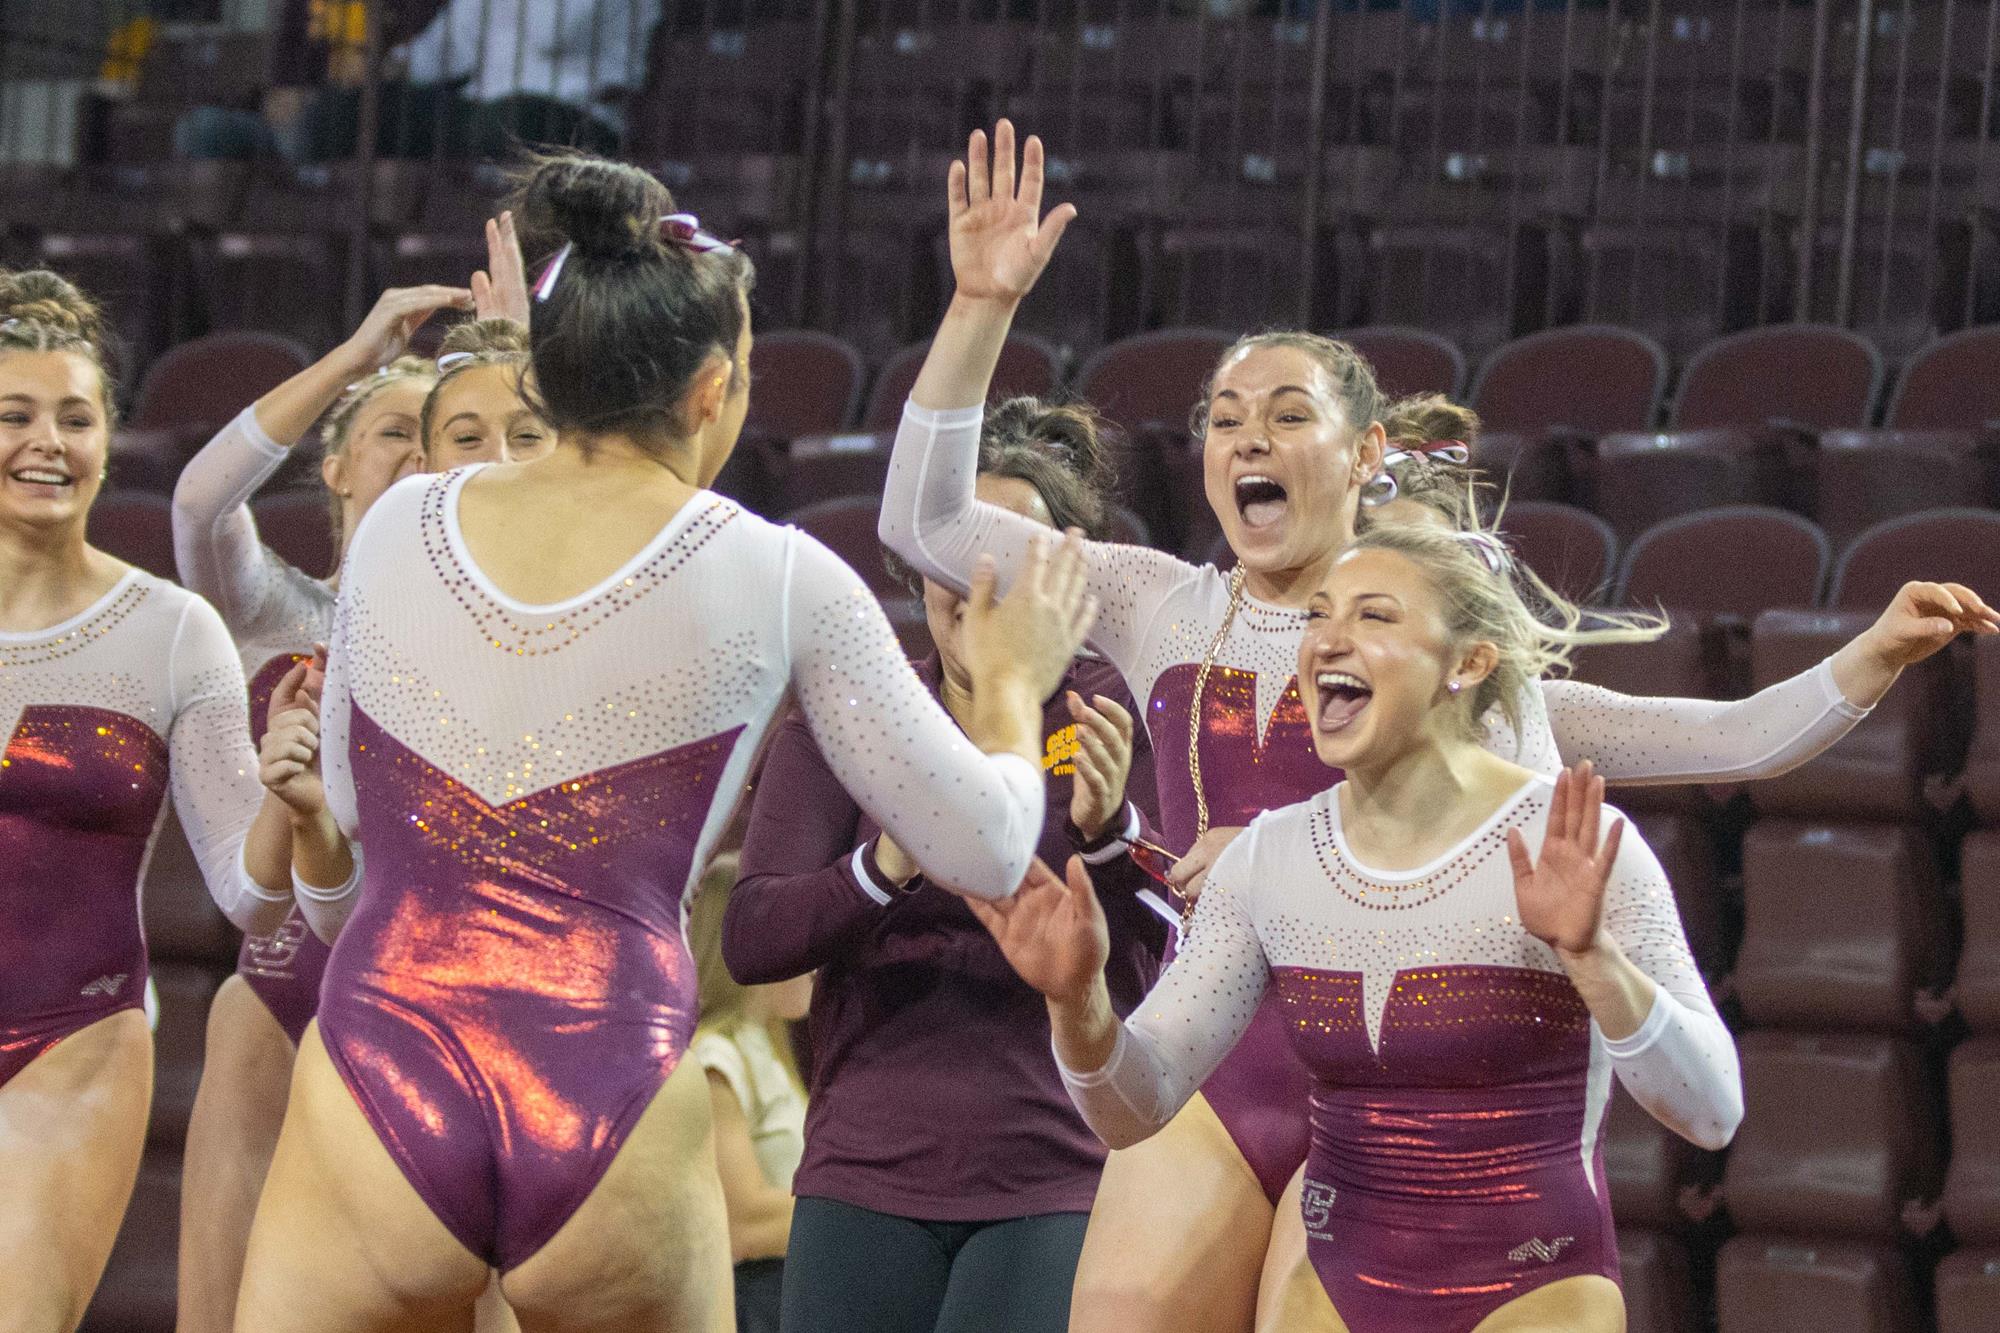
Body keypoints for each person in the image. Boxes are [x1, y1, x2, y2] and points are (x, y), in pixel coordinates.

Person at [877, 120, 2000, 1331]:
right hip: (1213, 1046)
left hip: (1393, 1080)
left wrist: (1866, 658)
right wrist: (981, 306)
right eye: (1221, 415)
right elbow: (925, 524)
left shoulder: (1460, 668)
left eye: (1286, 413)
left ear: (1364, 452)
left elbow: (1722, 738)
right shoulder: (1159, 600)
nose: (1246, 434)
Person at [230, 150, 1097, 1331]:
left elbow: (345, 802)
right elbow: (994, 851)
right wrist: (1006, 687)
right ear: (712, 390)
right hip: (608, 1081)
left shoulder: (396, 523)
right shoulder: (776, 571)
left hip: (384, 1045)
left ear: (548, 369)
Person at [980, 521, 1744, 1333]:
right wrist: (1079, 1006)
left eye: (1375, 617)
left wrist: (1597, 963)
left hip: (1535, 1290)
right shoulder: (1273, 860)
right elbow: (1136, 1107)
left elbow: (1712, 1111)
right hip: (1335, 1292)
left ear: (1469, 662)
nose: (1328, 641)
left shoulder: (1569, 846)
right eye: (1319, 615)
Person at [728, 395, 1171, 1333]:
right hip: (863, 1168)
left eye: (1012, 548)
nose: (980, 577)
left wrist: (1108, 835)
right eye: (955, 548)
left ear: (1068, 571)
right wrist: (893, 855)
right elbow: (753, 937)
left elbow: (1171, 964)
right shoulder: (855, 717)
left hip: (1055, 1170)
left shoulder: (1117, 717)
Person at [173, 214, 537, 1333]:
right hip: (283, 995)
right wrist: (360, 358)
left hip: (435, 1005)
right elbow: (196, 504)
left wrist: (523, 386)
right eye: (393, 432)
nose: (423, 459)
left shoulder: (502, 618)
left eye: (442, 442)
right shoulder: (280, 610)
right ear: (330, 463)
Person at [0, 267, 290, 1330]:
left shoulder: (169, 630)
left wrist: (292, 804)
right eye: (14, 414)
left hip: (66, 1040)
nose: (48, 442)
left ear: (109, 437)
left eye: (76, 418)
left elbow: (246, 896)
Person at [687, 853, 810, 1333]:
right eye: (804, 935)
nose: (816, 958)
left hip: (788, 1288)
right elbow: (741, 1222)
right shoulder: (715, 1057)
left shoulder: (766, 1051)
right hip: (757, 1304)